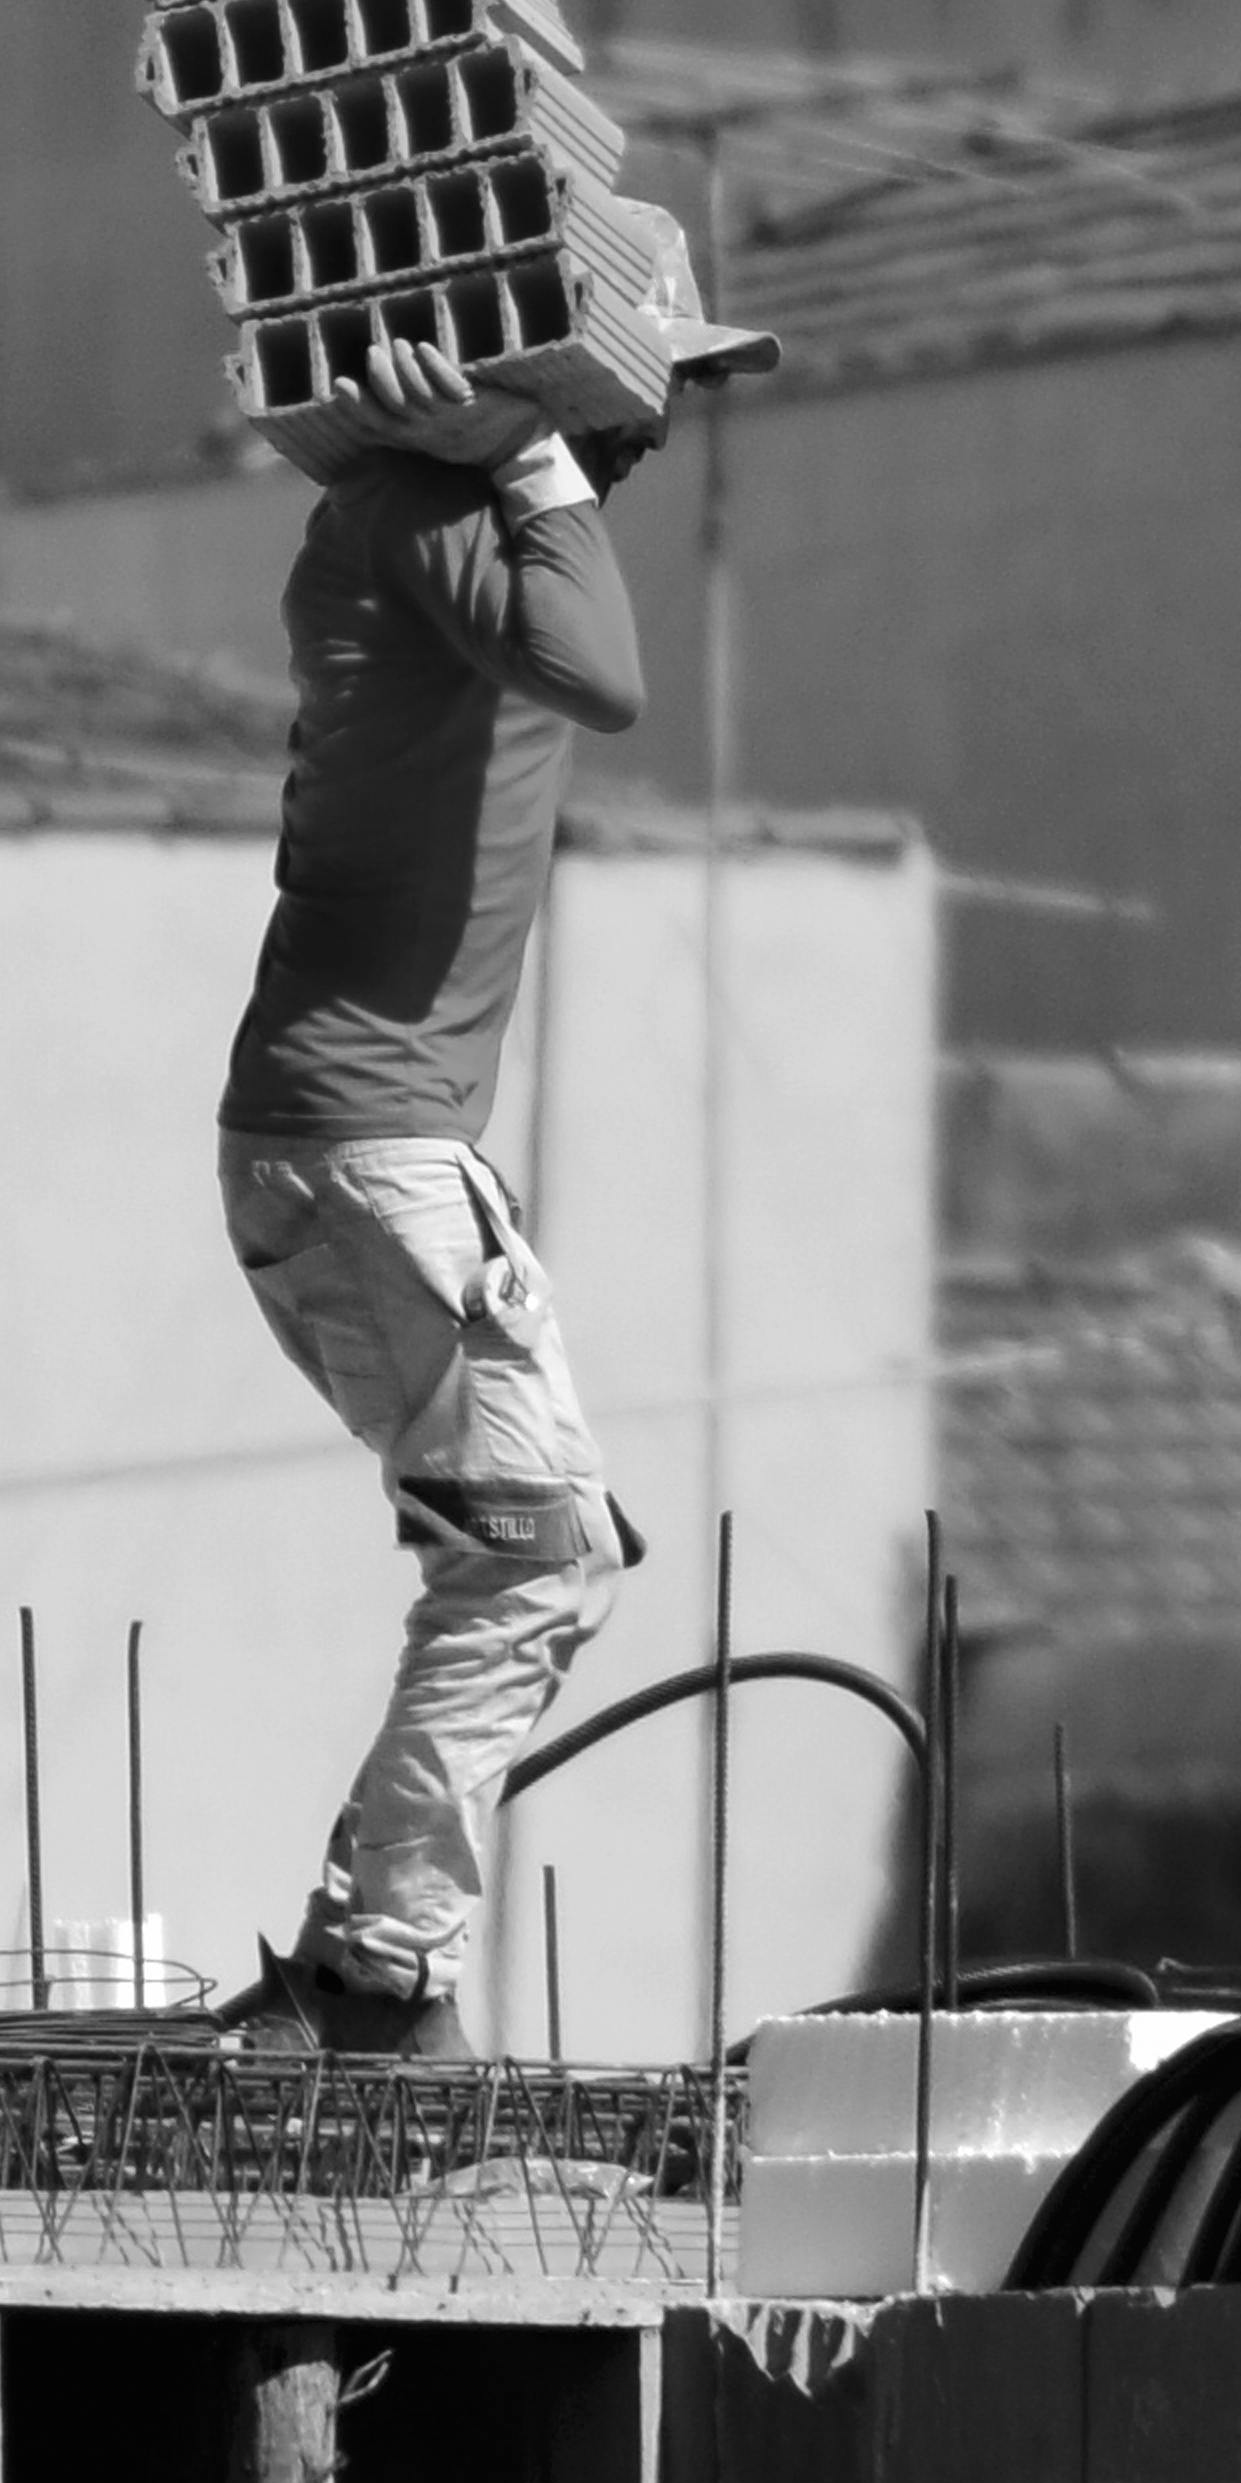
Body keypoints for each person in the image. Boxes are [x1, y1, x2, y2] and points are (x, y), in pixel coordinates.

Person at [216, 212, 775, 2058]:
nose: (648, 443)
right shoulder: (440, 521)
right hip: (365, 1150)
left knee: (531, 1542)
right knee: (540, 1558)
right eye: (638, 398)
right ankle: (375, 1975)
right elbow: (605, 672)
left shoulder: (412, 513)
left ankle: (372, 1962)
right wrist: (521, 450)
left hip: (346, 1151)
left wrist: (504, 449)